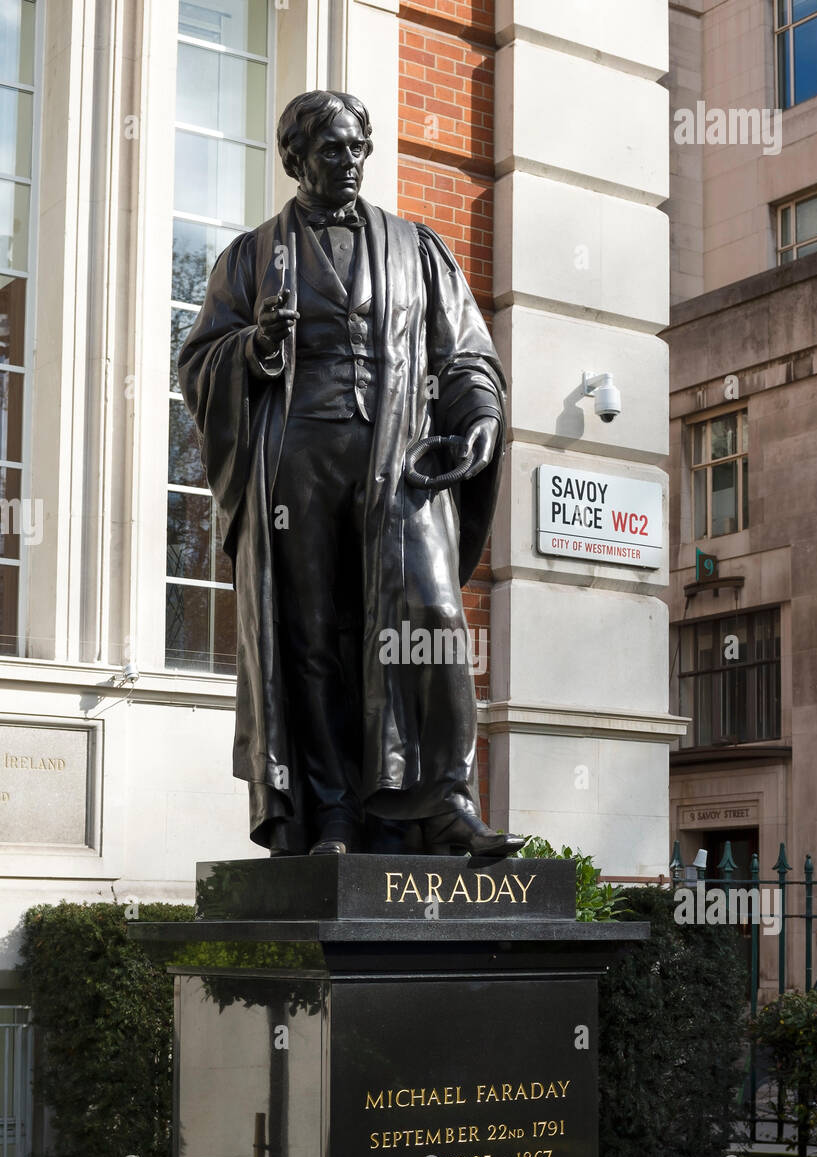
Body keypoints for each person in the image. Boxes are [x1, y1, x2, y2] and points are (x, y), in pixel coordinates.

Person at [178, 89, 524, 859]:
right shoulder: (249, 257)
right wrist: (256, 349)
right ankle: (331, 811)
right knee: (312, 638)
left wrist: (477, 418)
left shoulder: (415, 248)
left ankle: (444, 802)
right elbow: (200, 359)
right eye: (331, 150)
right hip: (295, 467)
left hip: (396, 464)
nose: (348, 162)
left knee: (430, 617)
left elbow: (465, 351)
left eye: (357, 147)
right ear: (296, 160)